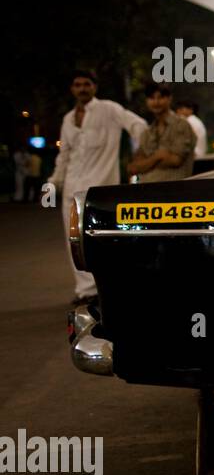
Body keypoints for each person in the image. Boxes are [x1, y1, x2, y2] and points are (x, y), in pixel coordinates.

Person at [50, 69, 147, 303]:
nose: (82, 88)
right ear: (72, 89)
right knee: (74, 241)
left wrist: (139, 157)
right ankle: (85, 291)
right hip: (72, 188)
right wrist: (54, 182)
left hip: (100, 189)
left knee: (101, 241)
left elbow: (139, 126)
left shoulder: (109, 109)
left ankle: (104, 290)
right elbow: (64, 155)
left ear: (94, 87)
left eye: (86, 84)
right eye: (77, 85)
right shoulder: (68, 118)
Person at [127, 83, 196, 182]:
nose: (156, 102)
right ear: (147, 101)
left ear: (169, 98)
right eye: (151, 98)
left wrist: (145, 162)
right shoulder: (147, 132)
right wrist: (158, 156)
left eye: (160, 97)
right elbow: (132, 168)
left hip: (174, 192)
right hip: (147, 193)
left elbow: (175, 161)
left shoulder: (181, 125)